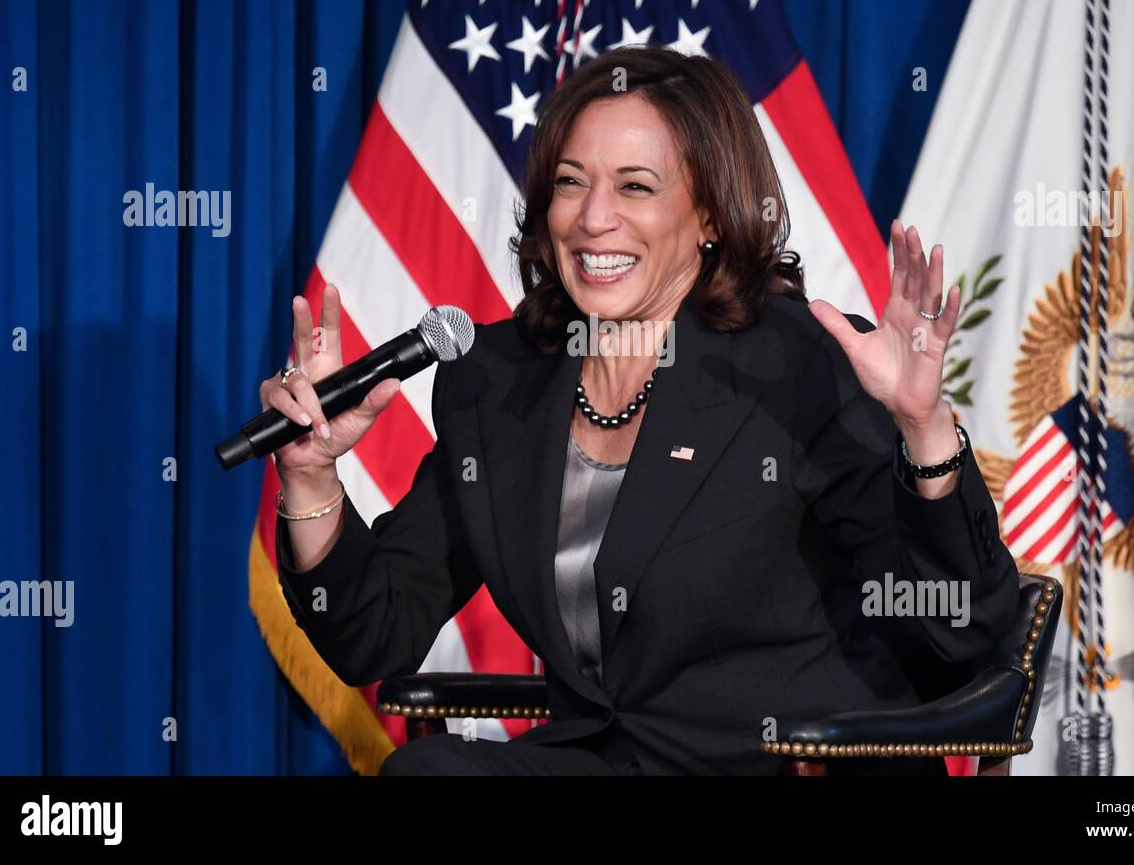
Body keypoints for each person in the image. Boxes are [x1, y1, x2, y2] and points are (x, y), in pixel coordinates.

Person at [259, 46, 1020, 775]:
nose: (593, 219)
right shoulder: (498, 379)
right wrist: (313, 479)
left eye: (635, 186)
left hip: (792, 769)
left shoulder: (796, 366)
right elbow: (374, 635)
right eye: (569, 182)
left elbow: (958, 631)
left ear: (712, 216)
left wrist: (923, 430)